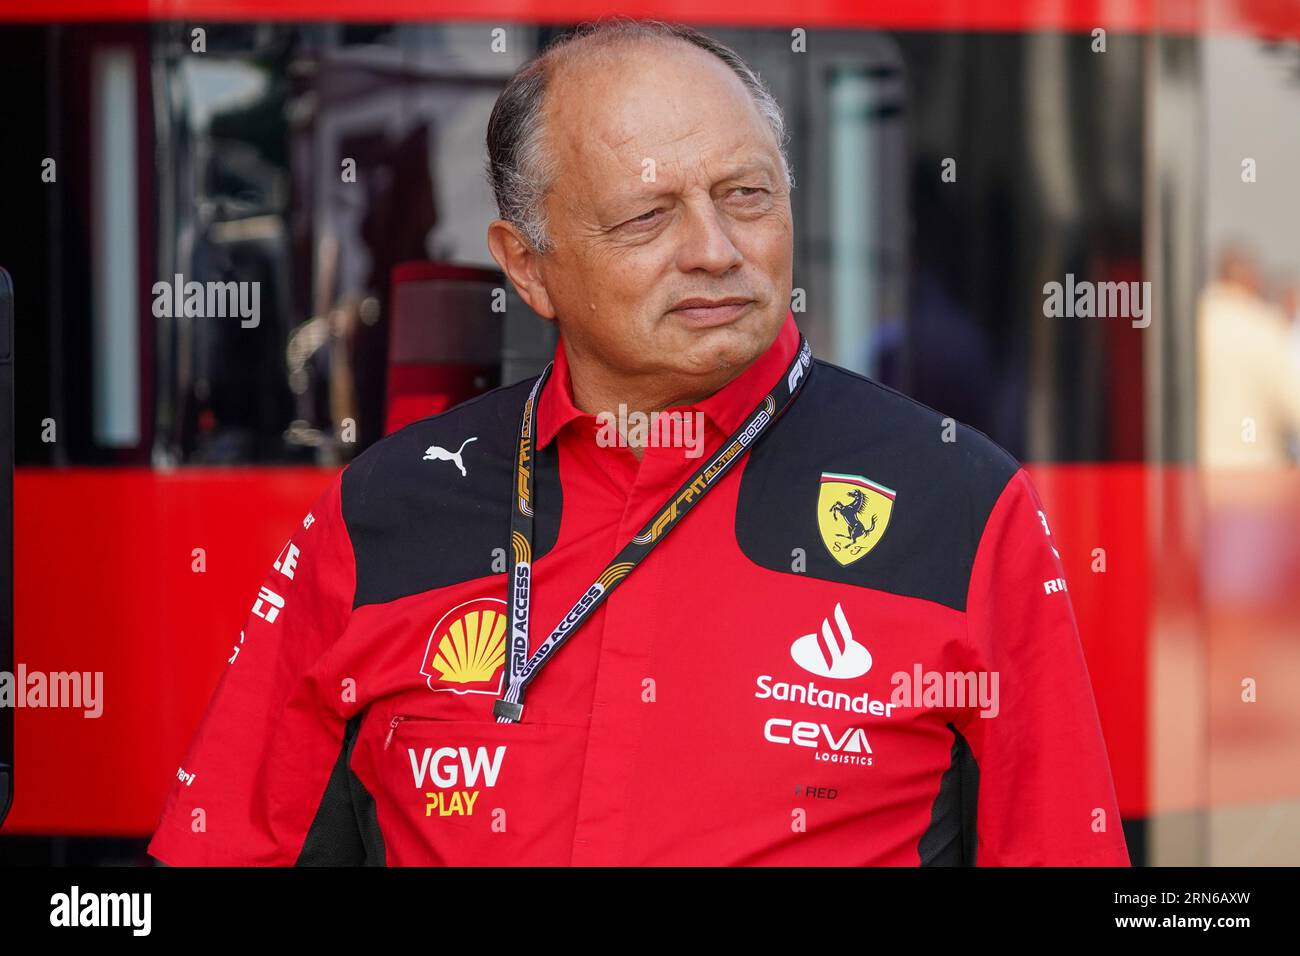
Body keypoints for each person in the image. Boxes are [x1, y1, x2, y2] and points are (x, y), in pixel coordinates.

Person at [147, 18, 1128, 866]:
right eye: (648, 215)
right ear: (529, 267)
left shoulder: (958, 503)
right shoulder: (381, 513)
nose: (714, 250)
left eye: (746, 195)